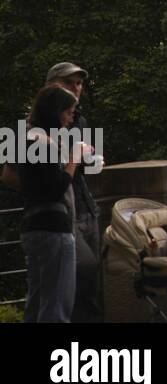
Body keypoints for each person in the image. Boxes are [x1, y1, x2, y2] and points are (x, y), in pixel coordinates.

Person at [18, 85, 83, 322]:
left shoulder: (27, 139)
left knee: (36, 302)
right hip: (53, 228)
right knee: (56, 303)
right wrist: (74, 158)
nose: (70, 118)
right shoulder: (43, 142)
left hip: (32, 226)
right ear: (55, 112)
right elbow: (55, 188)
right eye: (67, 112)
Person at [46, 62, 102, 321]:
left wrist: (93, 161)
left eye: (79, 84)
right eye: (69, 83)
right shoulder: (37, 125)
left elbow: (85, 166)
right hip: (61, 211)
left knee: (92, 279)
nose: (76, 88)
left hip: (87, 207)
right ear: (52, 85)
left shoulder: (80, 121)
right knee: (83, 271)